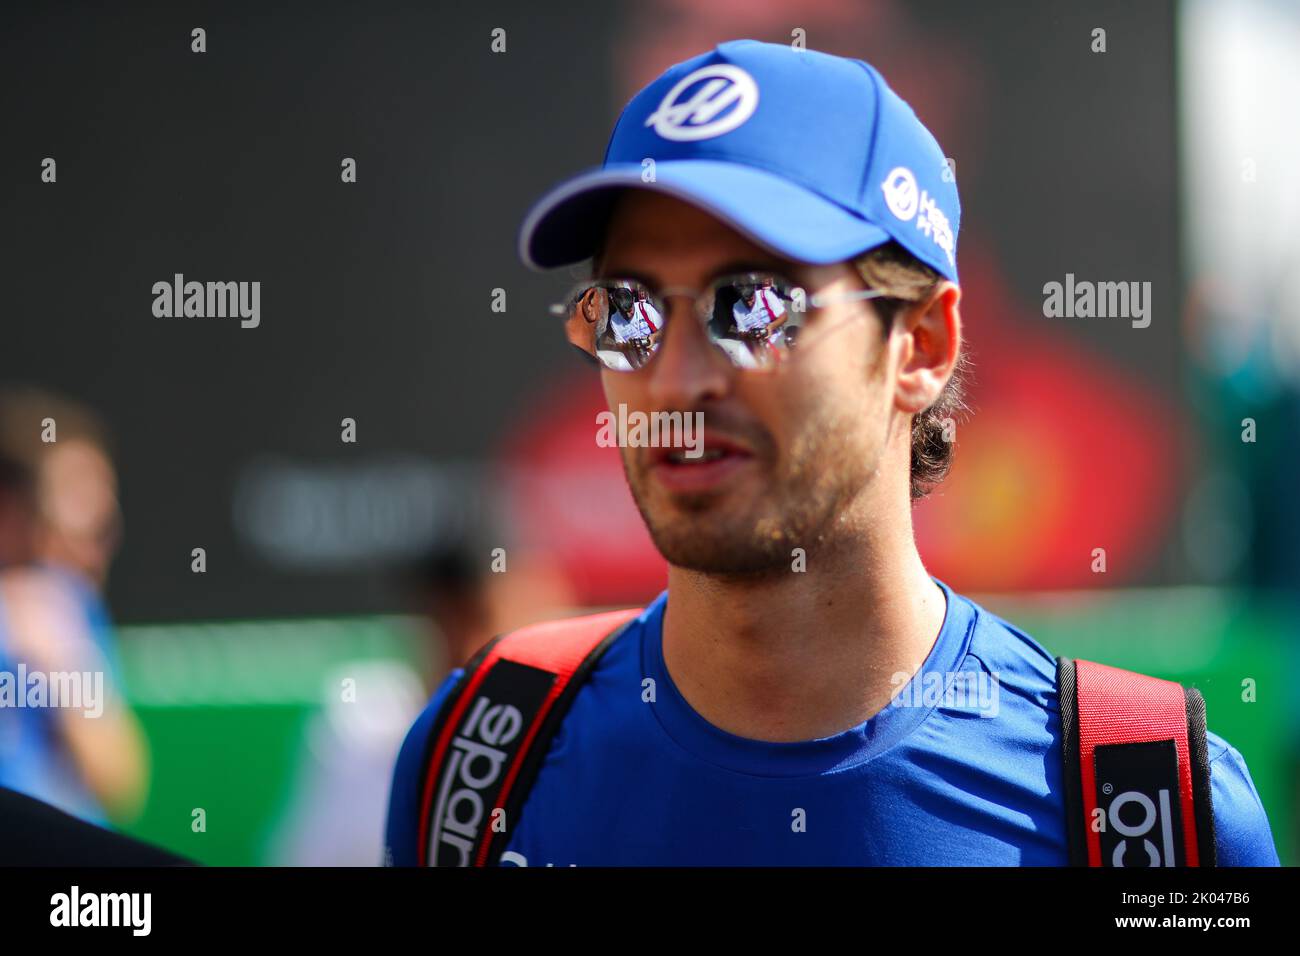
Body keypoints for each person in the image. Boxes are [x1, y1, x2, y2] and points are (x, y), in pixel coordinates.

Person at [386, 40, 1279, 865]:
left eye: (755, 304)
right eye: (630, 309)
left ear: (922, 343)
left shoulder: (1147, 805)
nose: (677, 378)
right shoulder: (481, 753)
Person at [0, 387, 148, 824]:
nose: (95, 551)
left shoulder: (73, 612)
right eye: (82, 526)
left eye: (104, 527)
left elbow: (121, 784)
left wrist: (62, 666)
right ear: (11, 512)